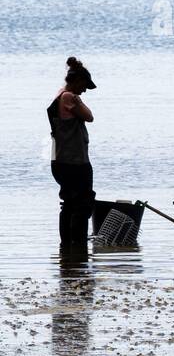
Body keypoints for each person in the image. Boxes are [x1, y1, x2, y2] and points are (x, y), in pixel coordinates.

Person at [47, 57, 97, 248]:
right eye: (84, 86)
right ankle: (78, 246)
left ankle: (67, 249)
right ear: (77, 81)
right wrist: (78, 99)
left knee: (69, 203)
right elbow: (89, 116)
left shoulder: (59, 95)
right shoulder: (69, 97)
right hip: (74, 161)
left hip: (60, 160)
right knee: (82, 204)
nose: (84, 90)